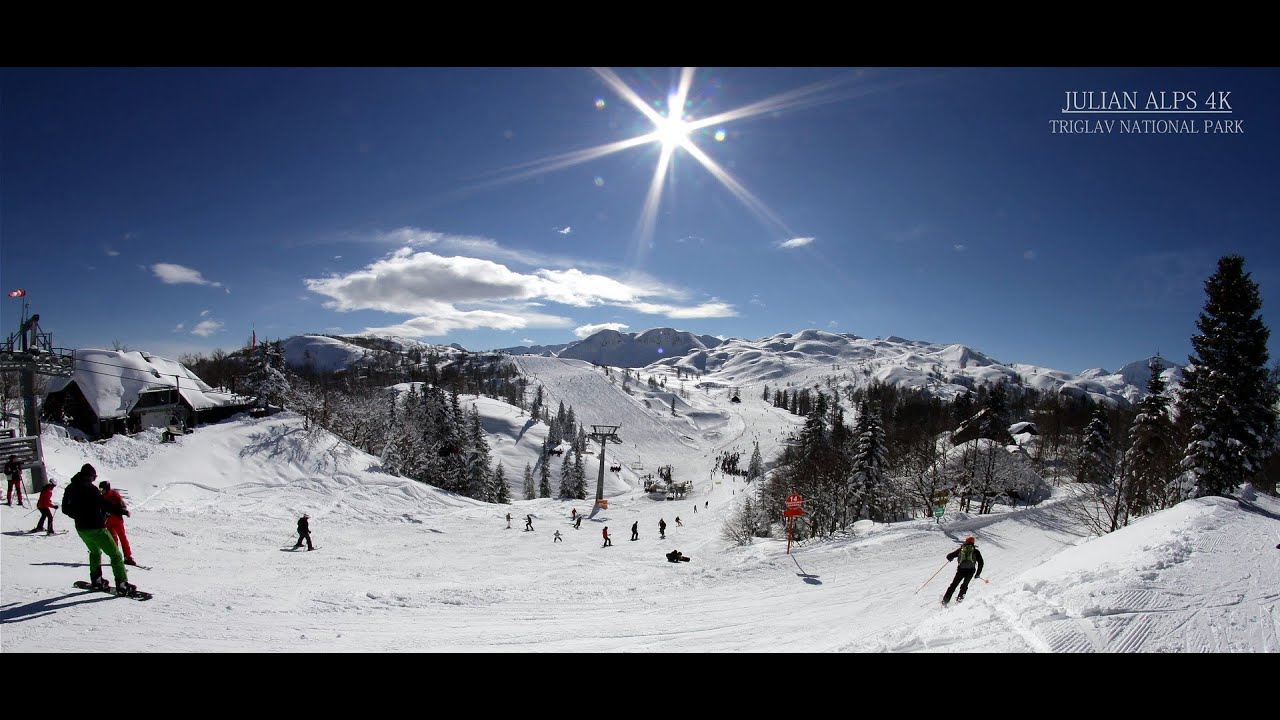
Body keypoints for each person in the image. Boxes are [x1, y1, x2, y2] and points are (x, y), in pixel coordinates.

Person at [62, 463, 133, 595]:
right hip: (96, 527)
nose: (94, 479)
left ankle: (97, 580)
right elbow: (105, 505)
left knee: (95, 552)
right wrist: (121, 511)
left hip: (81, 529)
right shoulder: (91, 489)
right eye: (94, 477)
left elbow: (65, 509)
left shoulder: (70, 488)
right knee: (116, 555)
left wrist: (78, 515)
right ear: (89, 476)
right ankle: (122, 584)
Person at [99, 480, 136, 565]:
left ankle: (128, 557)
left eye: (102, 488)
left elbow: (121, 504)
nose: (101, 490)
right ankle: (116, 557)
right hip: (108, 521)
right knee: (113, 539)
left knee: (122, 537)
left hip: (117, 520)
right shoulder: (101, 496)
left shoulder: (113, 495)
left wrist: (124, 511)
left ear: (107, 488)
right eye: (100, 488)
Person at [942, 536, 985, 606]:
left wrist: (951, 558)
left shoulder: (961, 550)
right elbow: (981, 563)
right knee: (964, 586)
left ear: (966, 542)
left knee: (953, 585)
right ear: (973, 543)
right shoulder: (976, 551)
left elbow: (949, 556)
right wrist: (978, 573)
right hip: (970, 571)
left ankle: (945, 601)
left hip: (961, 570)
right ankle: (959, 601)